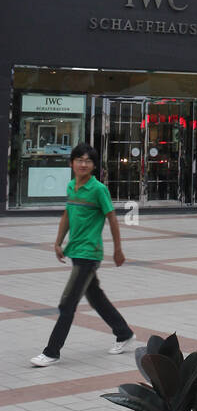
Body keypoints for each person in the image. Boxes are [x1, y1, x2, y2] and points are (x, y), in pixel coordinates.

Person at [31, 143, 135, 367]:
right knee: (95, 296)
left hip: (89, 253)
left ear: (94, 166)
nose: (83, 164)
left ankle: (51, 352)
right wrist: (58, 242)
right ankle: (124, 332)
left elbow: (112, 219)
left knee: (67, 303)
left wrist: (118, 249)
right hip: (75, 250)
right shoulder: (71, 187)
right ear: (72, 163)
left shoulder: (98, 189)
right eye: (79, 160)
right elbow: (67, 215)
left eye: (88, 161)